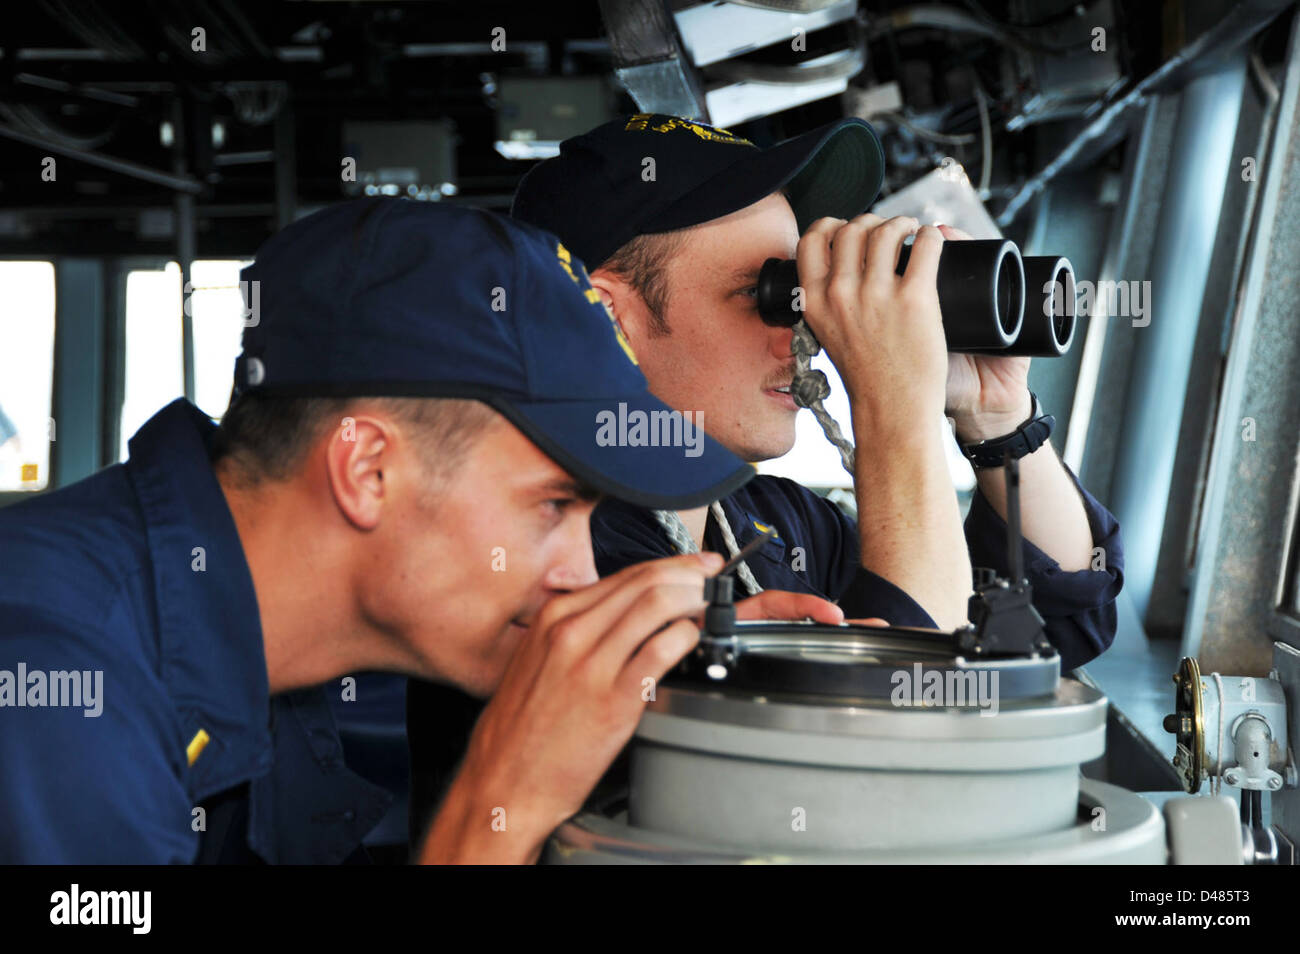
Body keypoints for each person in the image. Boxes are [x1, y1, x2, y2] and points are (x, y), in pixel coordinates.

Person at [0, 197, 843, 864]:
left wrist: (661, 677)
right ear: (366, 469)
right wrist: (497, 798)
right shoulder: (60, 675)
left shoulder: (273, 654)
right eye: (554, 505)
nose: (581, 579)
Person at [406, 114, 1125, 836]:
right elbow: (899, 755)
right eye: (767, 293)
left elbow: (1054, 627)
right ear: (607, 321)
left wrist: (1000, 420)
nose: (804, 332)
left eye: (806, 291)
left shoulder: (772, 522)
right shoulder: (544, 561)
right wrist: (893, 407)